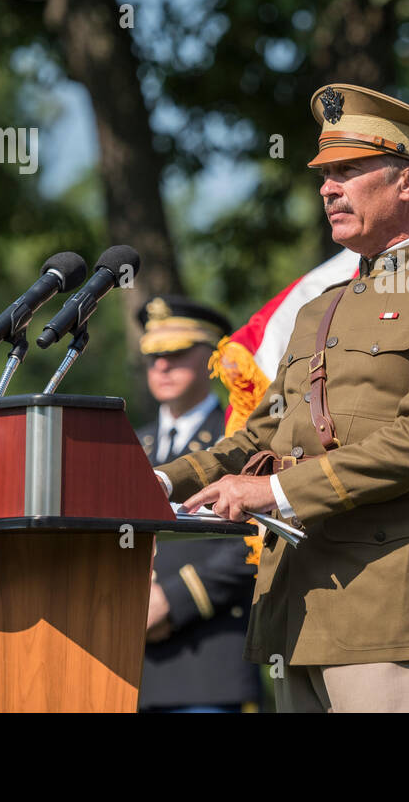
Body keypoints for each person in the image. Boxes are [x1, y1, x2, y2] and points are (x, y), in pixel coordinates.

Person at [154, 83, 409, 712]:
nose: (327, 187)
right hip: (295, 608)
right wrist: (160, 481)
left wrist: (275, 491)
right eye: (325, 173)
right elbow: (264, 433)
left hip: (391, 606)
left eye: (348, 170)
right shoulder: (319, 308)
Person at [134, 295, 262, 713]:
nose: (162, 366)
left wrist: (173, 599)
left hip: (209, 669)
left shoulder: (239, 438)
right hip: (129, 669)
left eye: (175, 353)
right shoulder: (129, 445)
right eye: (154, 356)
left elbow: (258, 543)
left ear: (211, 356)